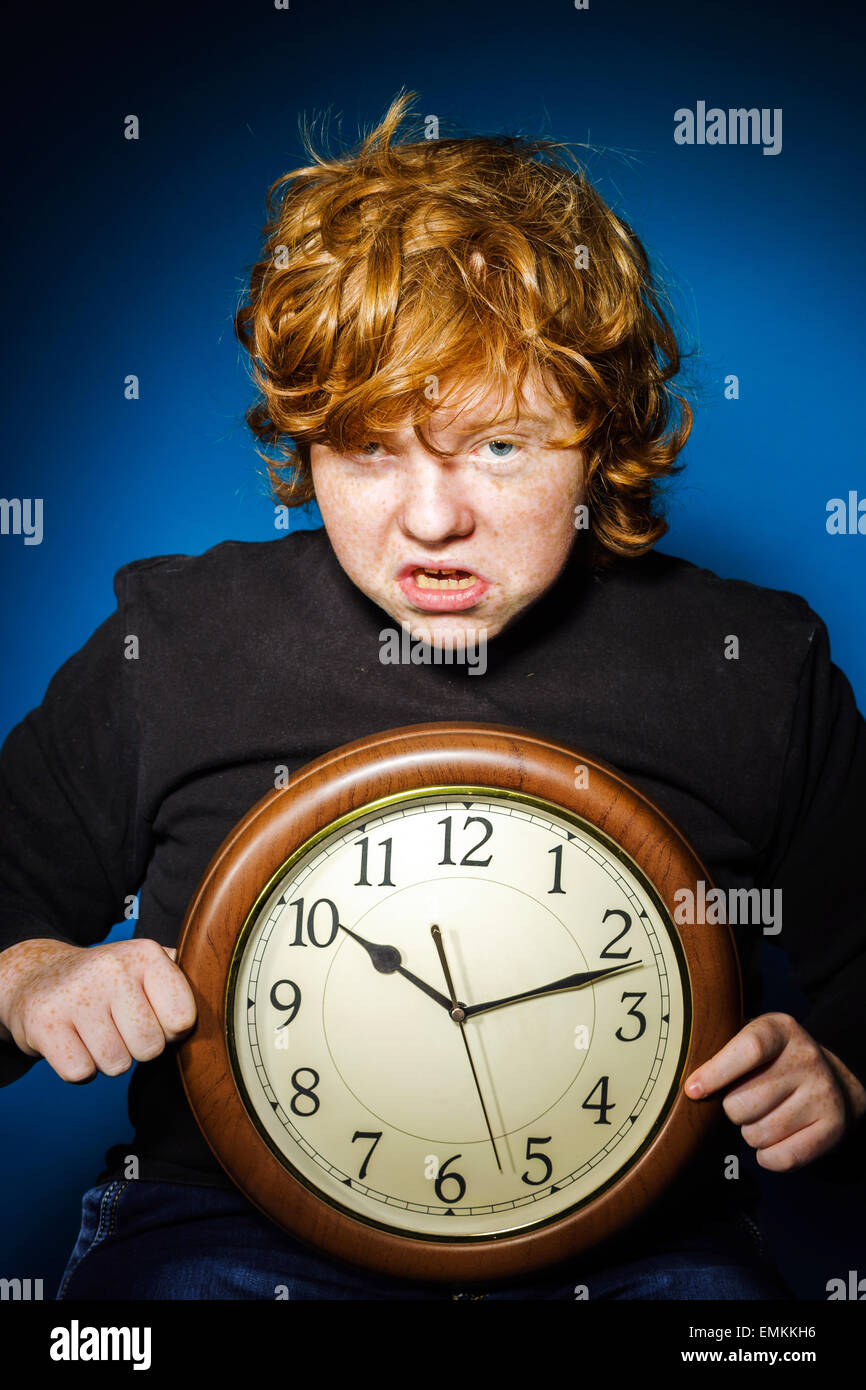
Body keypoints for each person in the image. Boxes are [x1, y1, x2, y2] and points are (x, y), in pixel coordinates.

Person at [0, 92, 863, 1302]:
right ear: (306, 447)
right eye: (366, 449)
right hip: (221, 1238)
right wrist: (33, 976)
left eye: (497, 447)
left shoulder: (753, 662)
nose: (429, 518)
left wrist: (839, 1076)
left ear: (598, 438)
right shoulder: (179, 641)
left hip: (645, 1254)